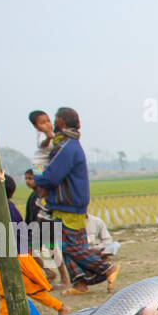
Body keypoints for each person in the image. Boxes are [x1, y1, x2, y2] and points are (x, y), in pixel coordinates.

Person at [33, 106, 118, 294]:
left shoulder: (66, 147)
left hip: (67, 204)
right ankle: (80, 284)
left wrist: (37, 178)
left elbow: (51, 176)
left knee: (67, 245)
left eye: (53, 119)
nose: (51, 123)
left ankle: (106, 268)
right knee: (74, 245)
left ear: (61, 122)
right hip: (72, 202)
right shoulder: (67, 144)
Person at [0, 174, 67, 315]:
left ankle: (60, 307)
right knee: (3, 287)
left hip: (17, 256)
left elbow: (1, 233)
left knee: (32, 291)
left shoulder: (3, 209)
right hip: (11, 254)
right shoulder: (6, 207)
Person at [24, 168, 66, 288]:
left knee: (36, 251)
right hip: (40, 226)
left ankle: (54, 274)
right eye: (26, 178)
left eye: (30, 178)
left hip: (46, 225)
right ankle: (54, 274)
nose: (28, 181)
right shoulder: (34, 196)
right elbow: (29, 216)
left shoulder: (42, 194)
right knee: (50, 251)